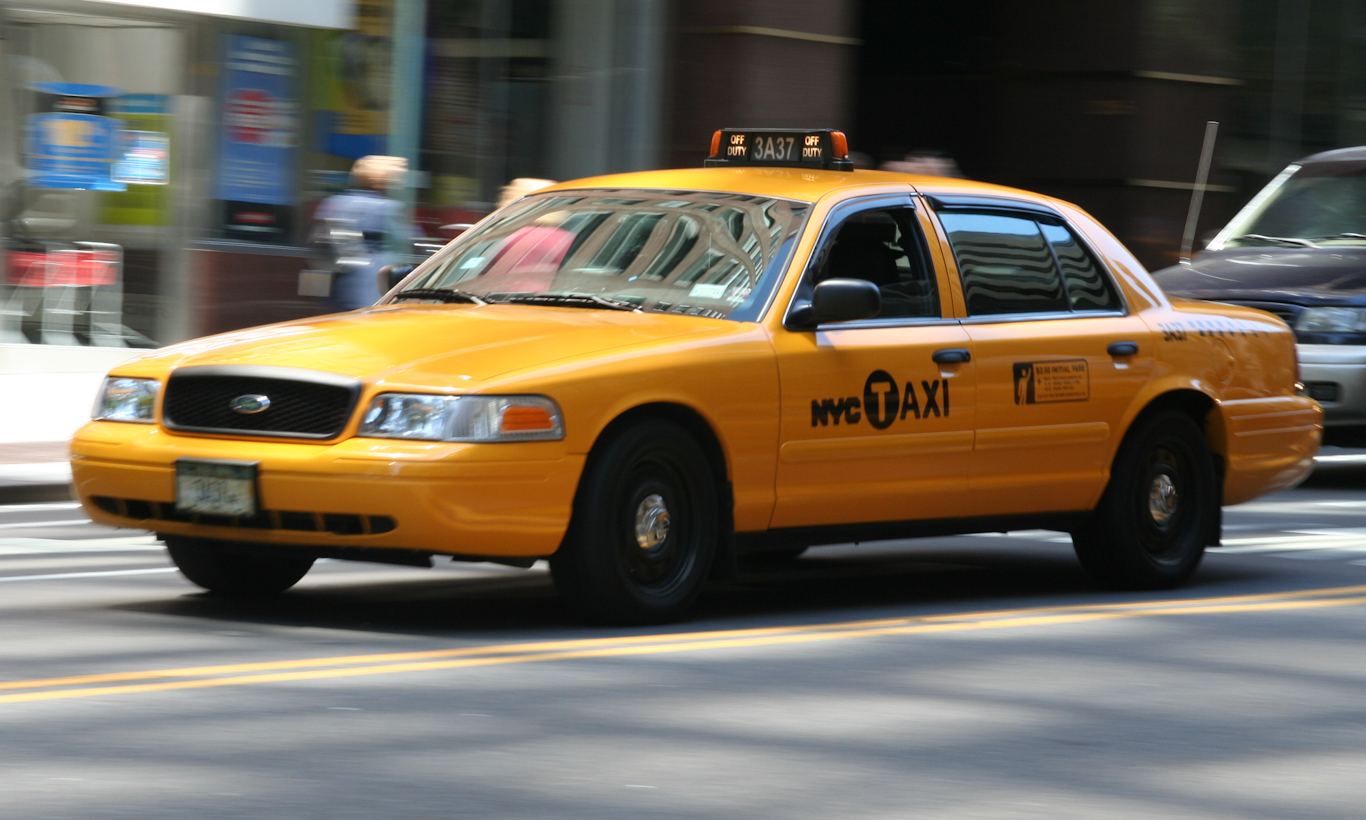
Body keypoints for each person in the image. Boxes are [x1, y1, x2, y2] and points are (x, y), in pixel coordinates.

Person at [311, 155, 416, 310]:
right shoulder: (389, 208)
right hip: (375, 286)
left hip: (343, 286)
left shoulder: (336, 203)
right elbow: (405, 241)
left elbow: (320, 244)